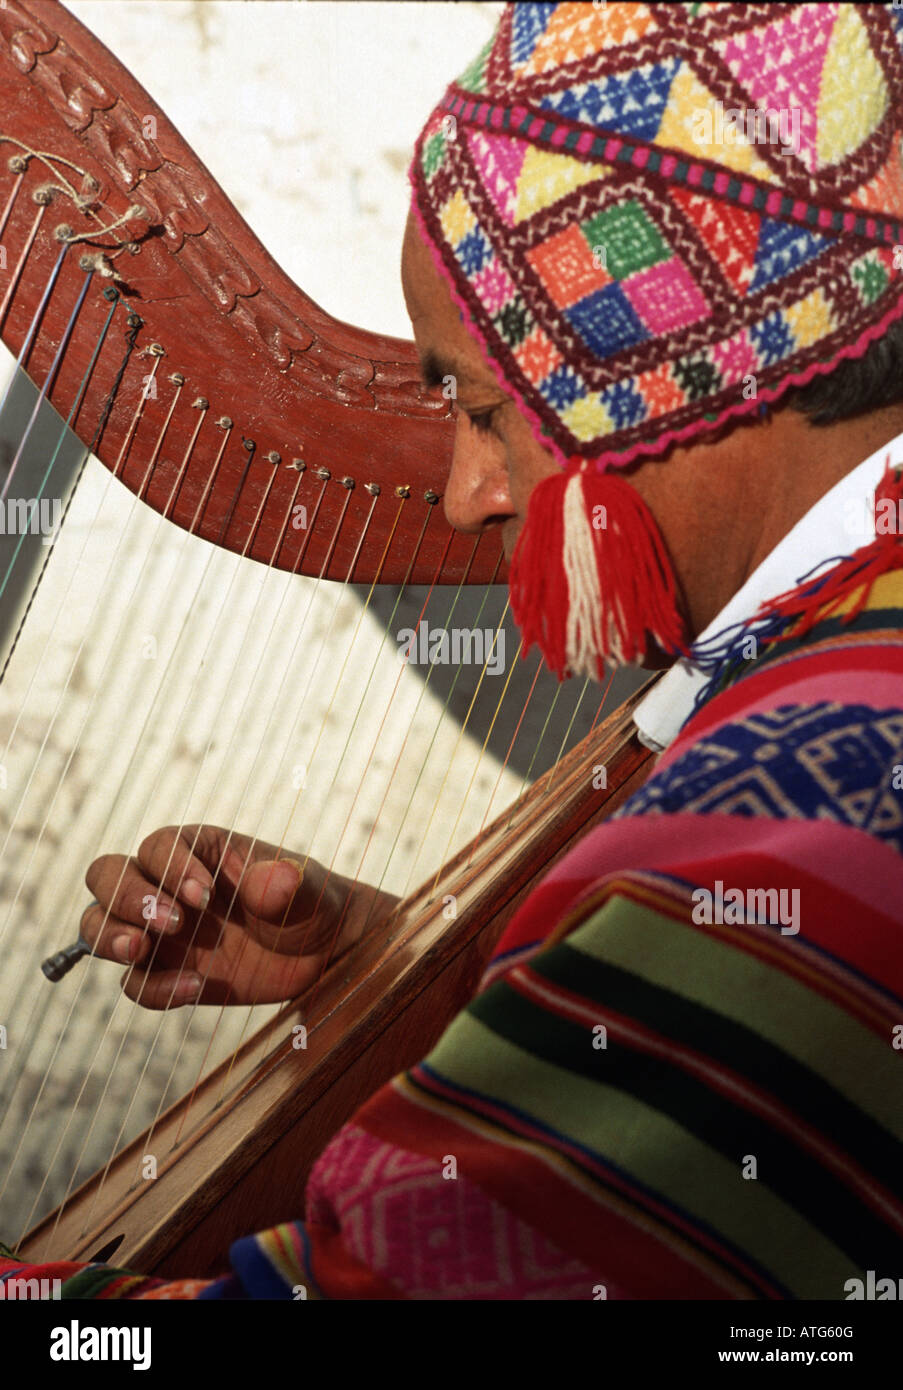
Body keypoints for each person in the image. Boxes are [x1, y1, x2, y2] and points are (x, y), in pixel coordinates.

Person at [4, 0, 903, 1299]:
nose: (471, 494)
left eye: (486, 412)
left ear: (663, 386)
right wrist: (389, 962)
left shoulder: (788, 823)